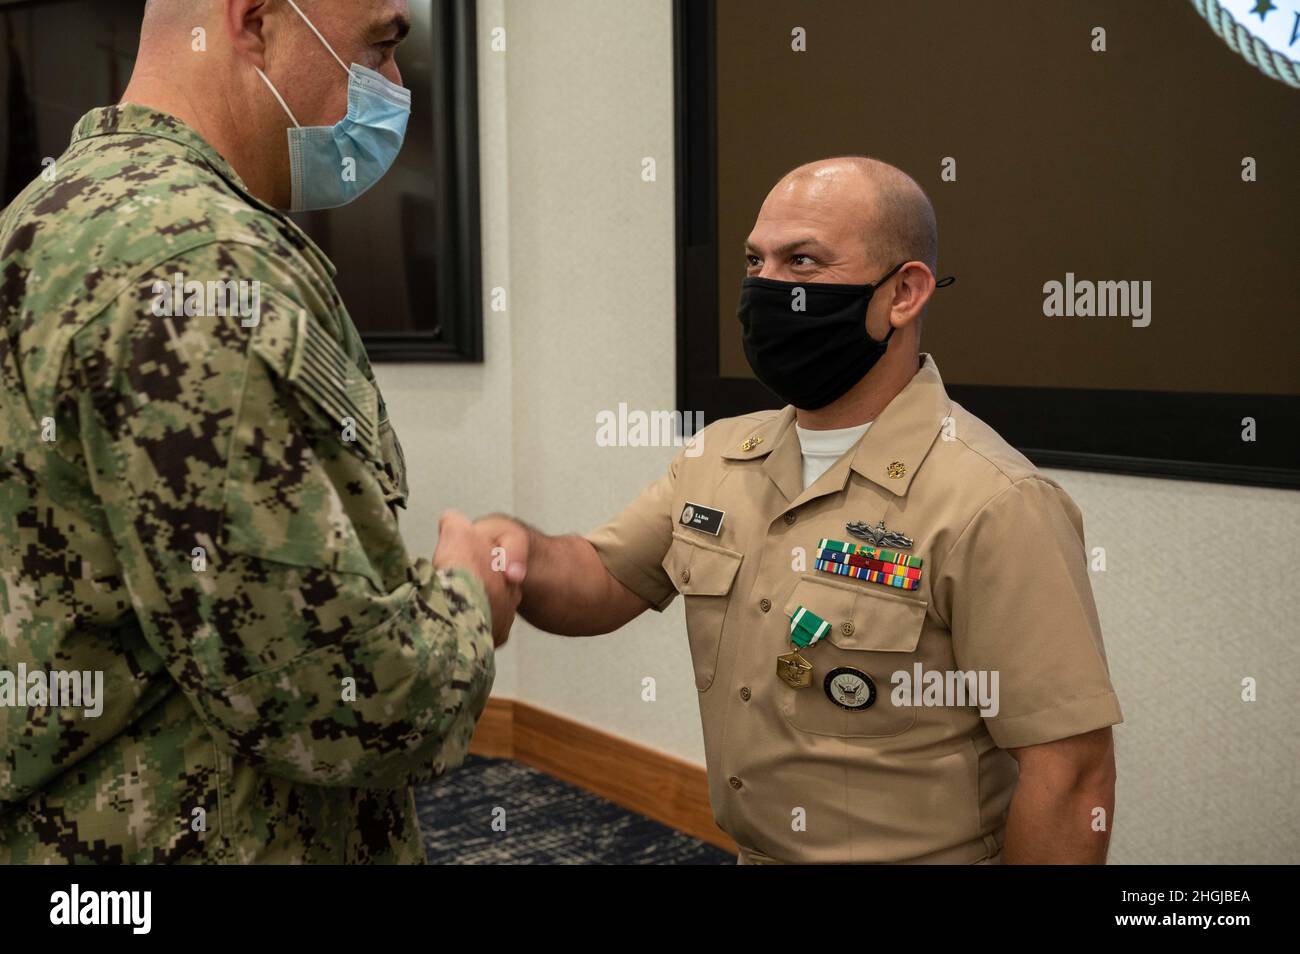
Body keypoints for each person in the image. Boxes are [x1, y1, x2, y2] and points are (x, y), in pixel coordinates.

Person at [476, 156, 1123, 864]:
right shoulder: (719, 458)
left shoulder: (994, 500)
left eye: (804, 262)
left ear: (904, 293)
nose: (767, 288)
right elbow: (603, 580)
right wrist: (516, 552)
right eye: (756, 262)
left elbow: (1070, 774)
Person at [0, 0, 519, 863]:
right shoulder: (201, 264)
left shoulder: (42, 217)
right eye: (378, 48)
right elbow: (335, 697)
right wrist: (470, 593)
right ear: (254, 21)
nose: (392, 88)